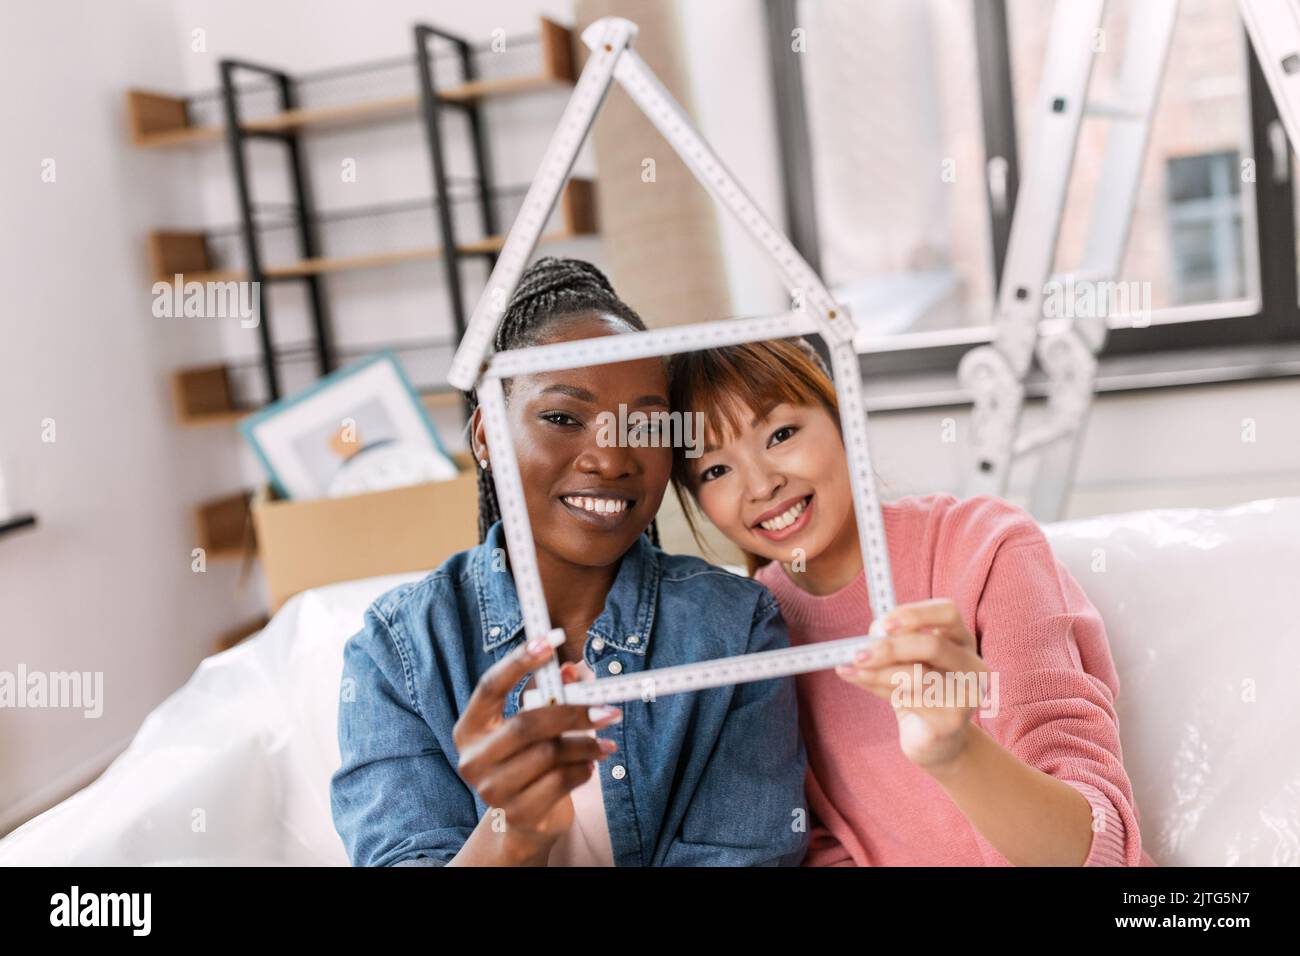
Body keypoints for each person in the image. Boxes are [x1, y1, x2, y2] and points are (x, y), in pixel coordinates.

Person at [329, 257, 807, 866]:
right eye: (561, 418)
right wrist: (514, 830)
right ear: (486, 437)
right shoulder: (397, 651)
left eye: (645, 424)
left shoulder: (737, 630)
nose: (610, 458)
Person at [668, 336, 1155, 866]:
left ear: (842, 416)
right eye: (715, 470)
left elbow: (1094, 847)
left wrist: (955, 752)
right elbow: (824, 848)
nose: (761, 484)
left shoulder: (984, 548)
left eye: (780, 433)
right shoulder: (752, 634)